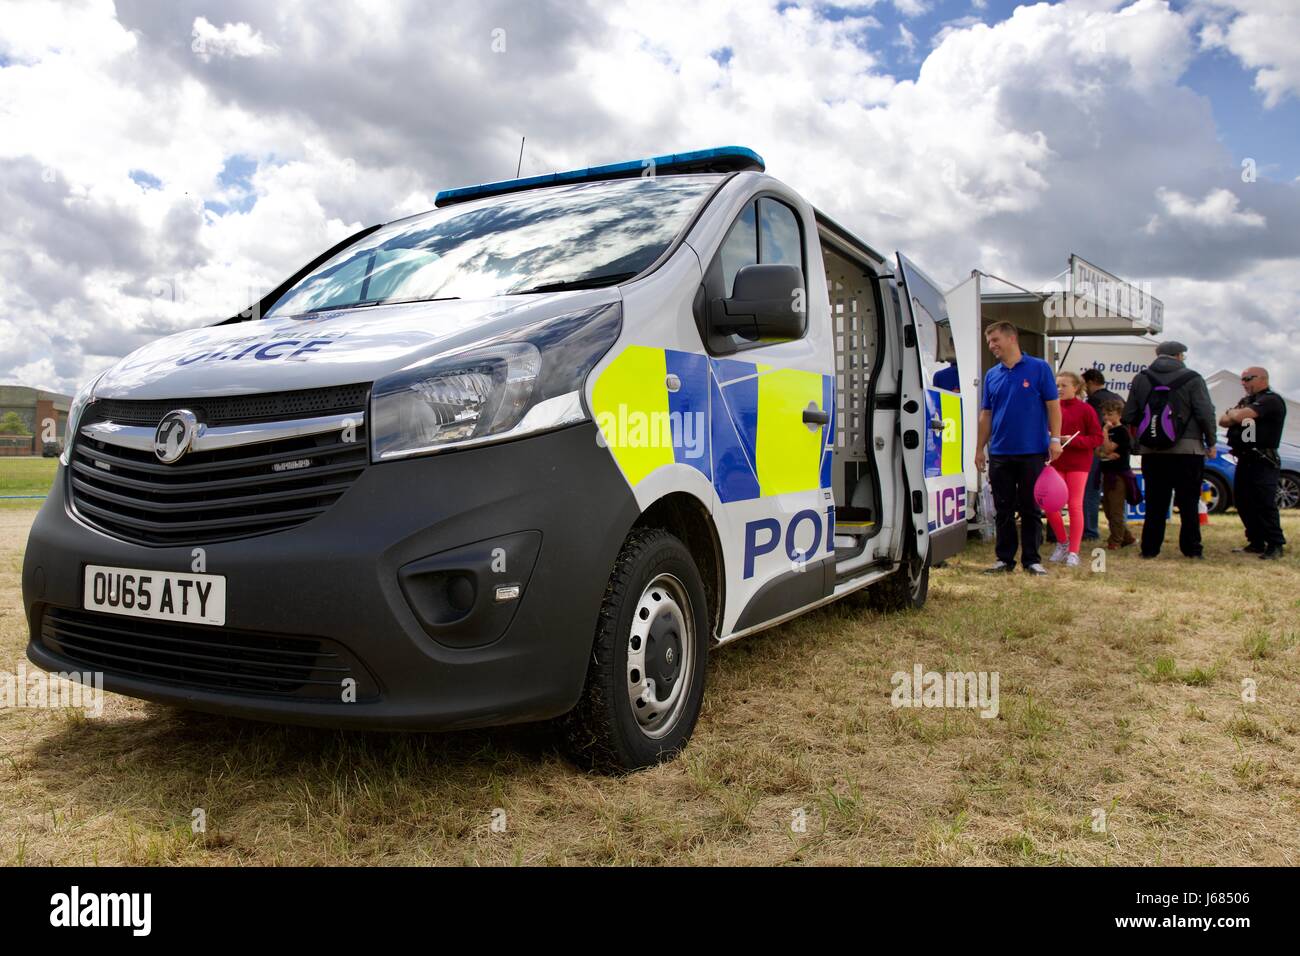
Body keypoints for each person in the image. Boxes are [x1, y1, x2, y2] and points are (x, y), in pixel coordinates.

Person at [974, 322, 1063, 575]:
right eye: (989, 341)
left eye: (995, 340)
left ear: (1012, 338)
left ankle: (1032, 560)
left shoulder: (1039, 368)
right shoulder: (992, 375)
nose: (991, 346)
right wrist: (979, 448)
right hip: (1000, 452)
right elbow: (986, 414)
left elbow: (1053, 406)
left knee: (1030, 507)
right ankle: (1004, 559)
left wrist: (1055, 440)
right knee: (1003, 508)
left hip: (1032, 451)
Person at [1121, 341, 1217, 559]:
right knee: (1188, 502)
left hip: (1153, 452)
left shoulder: (1141, 378)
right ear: (1179, 356)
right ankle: (1192, 550)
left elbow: (1129, 415)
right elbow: (1204, 412)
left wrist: (1141, 441)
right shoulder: (1193, 378)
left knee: (1155, 502)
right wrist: (1211, 442)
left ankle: (1150, 549)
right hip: (1188, 450)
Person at [1220, 366, 1287, 559]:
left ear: (1262, 379)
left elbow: (1239, 416)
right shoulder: (1247, 401)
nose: (1244, 383)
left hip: (1263, 459)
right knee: (1243, 501)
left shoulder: (1270, 400)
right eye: (1242, 379)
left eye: (1248, 378)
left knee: (1264, 502)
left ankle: (1275, 544)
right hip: (1245, 458)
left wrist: (1236, 414)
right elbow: (1224, 420)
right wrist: (1236, 414)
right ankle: (1256, 541)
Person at [1045, 371, 1103, 566]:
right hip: (1056, 461)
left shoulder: (1086, 410)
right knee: (1052, 505)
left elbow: (1097, 438)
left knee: (1075, 505)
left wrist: (1072, 440)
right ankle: (1062, 542)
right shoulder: (1051, 408)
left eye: (1064, 385)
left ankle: (1074, 551)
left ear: (1076, 387)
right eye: (1057, 385)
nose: (1059, 389)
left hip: (1079, 463)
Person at [1081, 368, 1121, 541]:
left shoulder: (1092, 401)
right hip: (1119, 452)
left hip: (1097, 451)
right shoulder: (1118, 398)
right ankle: (1120, 533)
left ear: (1090, 382)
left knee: (1090, 491)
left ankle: (1090, 531)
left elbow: (1091, 428)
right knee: (1116, 497)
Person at [1097, 398, 1137, 550]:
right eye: (1104, 415)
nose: (1106, 418)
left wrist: (1105, 434)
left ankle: (1116, 539)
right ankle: (1127, 537)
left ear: (1119, 414)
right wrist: (1104, 453)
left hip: (1119, 475)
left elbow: (1107, 448)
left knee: (1116, 509)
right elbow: (1098, 451)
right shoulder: (1106, 430)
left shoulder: (1121, 432)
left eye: (1110, 414)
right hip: (1107, 473)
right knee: (1107, 509)